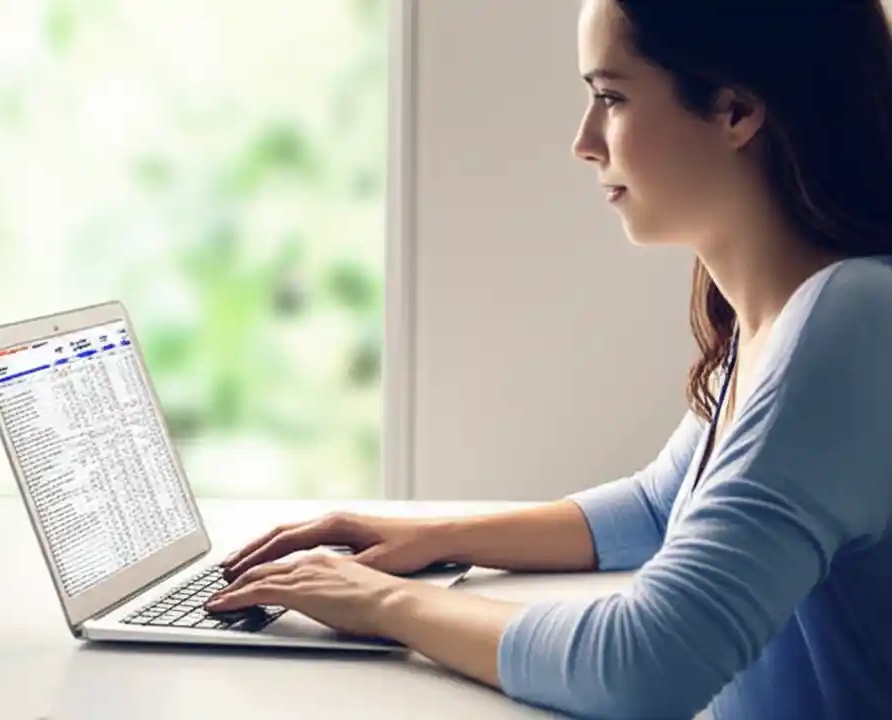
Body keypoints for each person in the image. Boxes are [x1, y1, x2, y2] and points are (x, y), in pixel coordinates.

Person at [204, 0, 892, 717]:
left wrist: (381, 601)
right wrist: (426, 539)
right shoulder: (787, 316)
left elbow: (643, 665)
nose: (584, 142)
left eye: (611, 97)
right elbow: (666, 503)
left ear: (735, 111)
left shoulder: (854, 320)